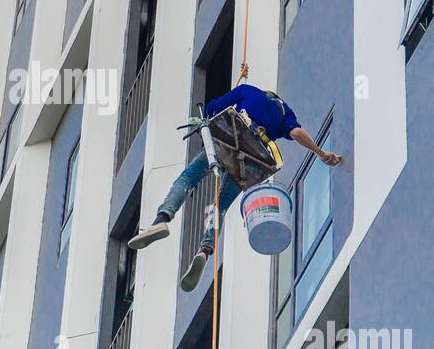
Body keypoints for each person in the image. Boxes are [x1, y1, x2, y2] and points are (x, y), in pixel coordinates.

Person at [127, 84, 342, 292]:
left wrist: (207, 118)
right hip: (252, 160)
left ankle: (162, 220)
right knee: (219, 205)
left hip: (229, 139)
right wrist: (321, 153)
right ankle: (205, 249)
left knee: (188, 178)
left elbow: (213, 108)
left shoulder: (248, 91)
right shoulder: (286, 112)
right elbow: (296, 133)